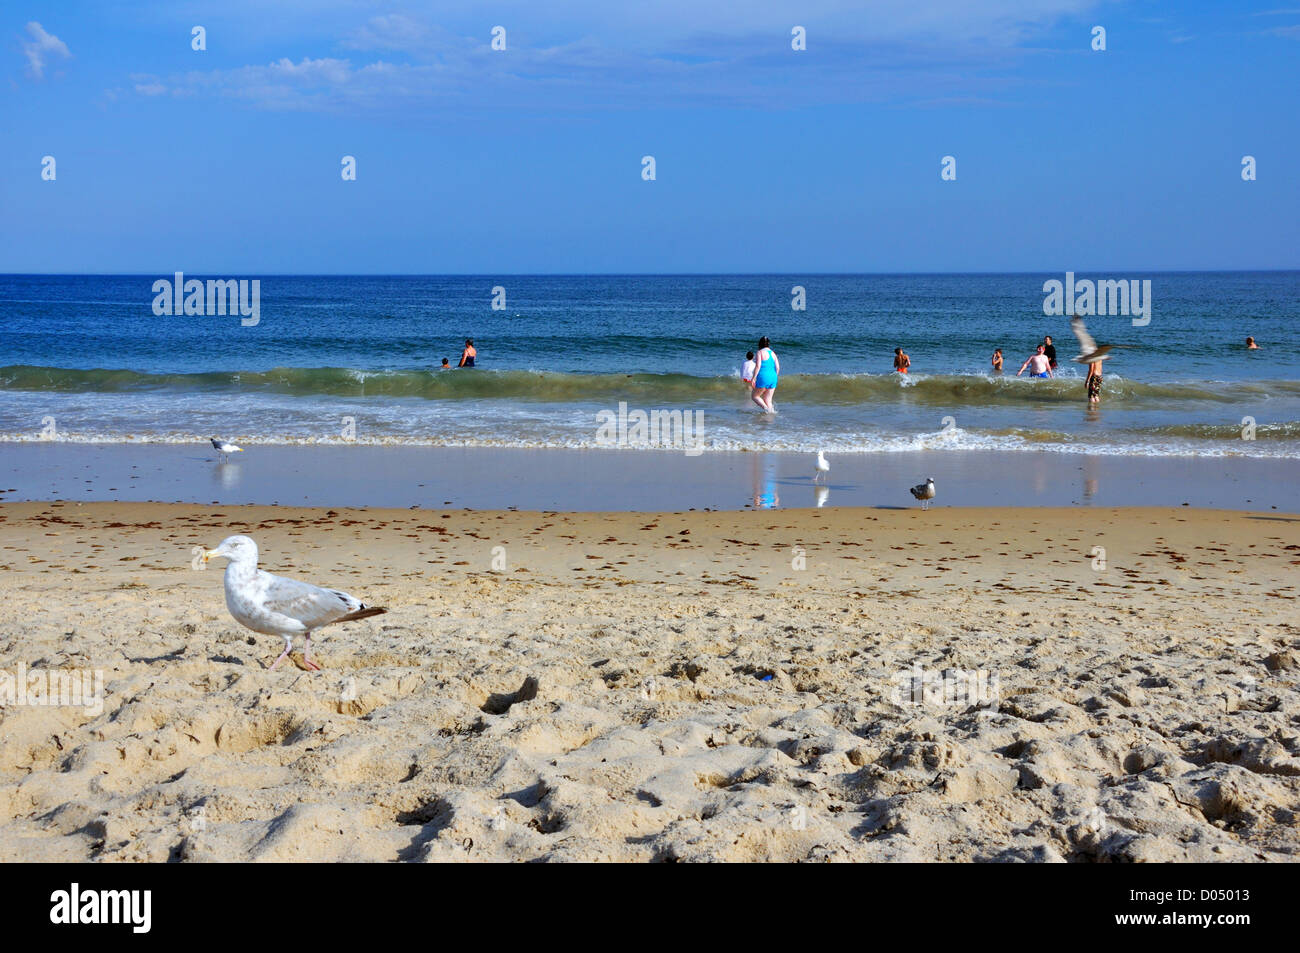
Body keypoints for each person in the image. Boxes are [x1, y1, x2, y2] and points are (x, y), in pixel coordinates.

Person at [751, 336, 779, 413]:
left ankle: (766, 409)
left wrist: (753, 378)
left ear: (760, 344)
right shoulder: (773, 353)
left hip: (763, 377)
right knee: (768, 400)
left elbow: (758, 366)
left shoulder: (759, 352)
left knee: (755, 396)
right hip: (773, 377)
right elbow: (777, 368)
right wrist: (774, 377)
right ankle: (771, 414)